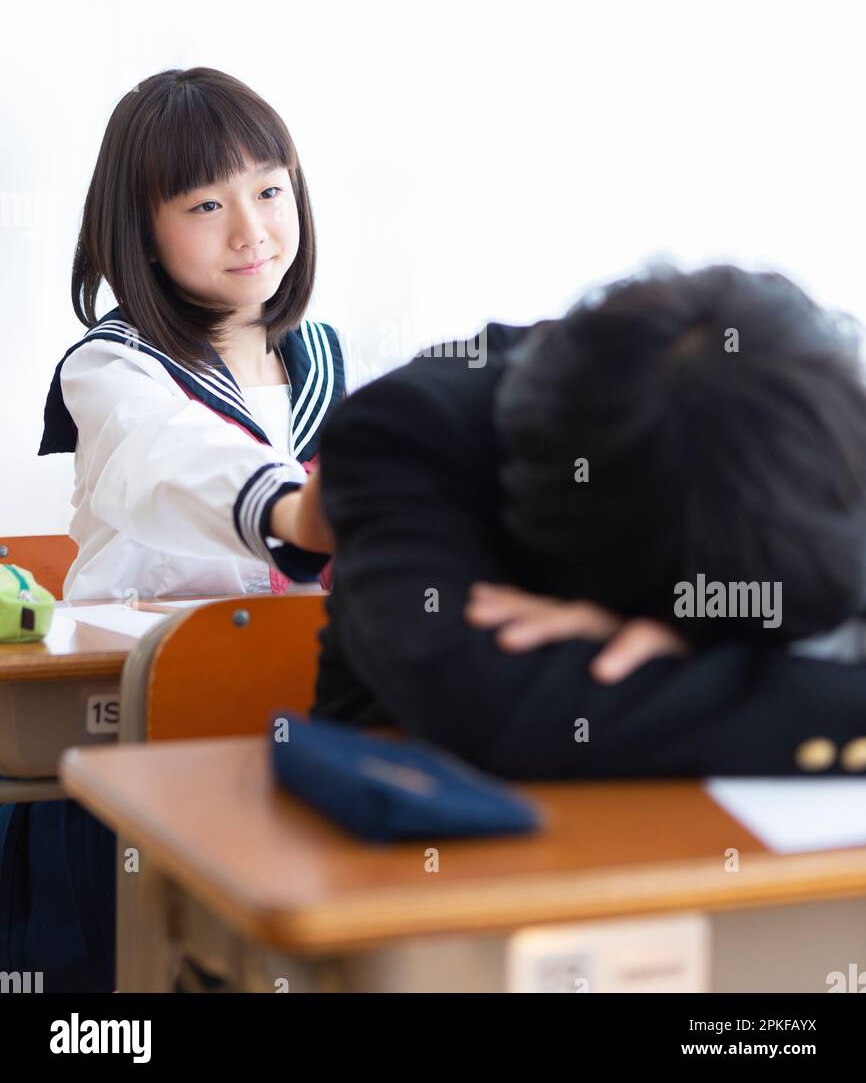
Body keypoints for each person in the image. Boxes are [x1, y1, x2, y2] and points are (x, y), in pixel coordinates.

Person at [1, 67, 346, 990]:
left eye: (270, 190)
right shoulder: (113, 371)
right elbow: (171, 457)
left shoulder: (328, 359)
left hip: (289, 724)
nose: (252, 229)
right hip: (135, 730)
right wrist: (290, 512)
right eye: (204, 204)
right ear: (140, 230)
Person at [313, 264, 866, 778]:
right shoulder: (409, 430)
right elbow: (484, 705)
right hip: (432, 825)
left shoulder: (817, 418)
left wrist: (694, 647)